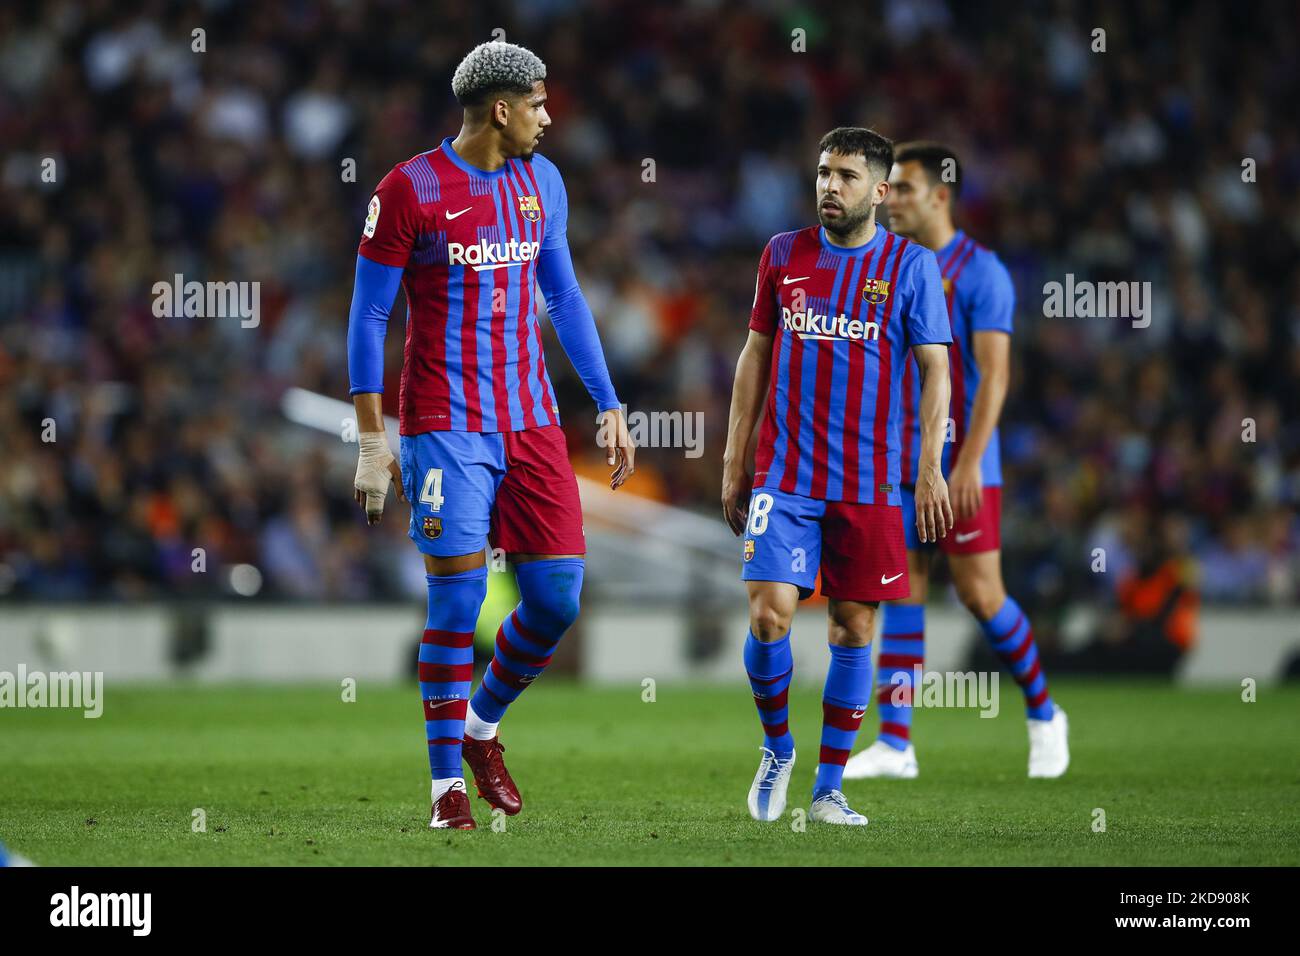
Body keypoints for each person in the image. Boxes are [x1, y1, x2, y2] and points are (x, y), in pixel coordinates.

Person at [346, 41, 635, 829]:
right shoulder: (409, 189)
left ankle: (481, 729)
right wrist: (373, 440)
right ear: (502, 109)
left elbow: (563, 295)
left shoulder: (543, 181)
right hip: (445, 424)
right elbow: (370, 316)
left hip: (532, 420)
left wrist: (607, 400)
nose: (550, 116)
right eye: (539, 104)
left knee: (555, 601)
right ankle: (445, 790)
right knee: (457, 602)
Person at [721, 127, 953, 826]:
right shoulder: (782, 255)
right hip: (786, 475)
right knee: (770, 614)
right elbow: (755, 354)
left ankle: (827, 791)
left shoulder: (911, 268)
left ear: (880, 192)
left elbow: (937, 367)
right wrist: (736, 459)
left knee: (853, 630)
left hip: (871, 483)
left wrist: (931, 465)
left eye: (847, 176)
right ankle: (776, 748)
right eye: (823, 173)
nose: (829, 186)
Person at [844, 143, 1069, 781]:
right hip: (901, 460)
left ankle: (1045, 713)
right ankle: (895, 743)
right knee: (903, 589)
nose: (891, 199)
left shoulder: (981, 272)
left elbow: (994, 376)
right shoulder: (886, 265)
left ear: (941, 197)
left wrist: (967, 462)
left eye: (905, 189)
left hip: (967, 462)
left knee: (978, 593)